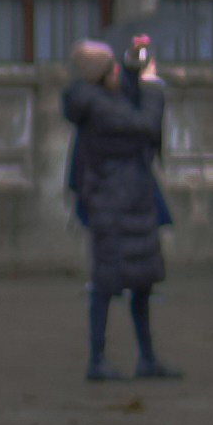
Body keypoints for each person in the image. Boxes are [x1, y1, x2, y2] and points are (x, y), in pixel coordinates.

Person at [63, 33, 178, 381]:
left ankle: (147, 358)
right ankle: (97, 360)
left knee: (140, 284)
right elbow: (143, 124)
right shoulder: (99, 107)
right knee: (106, 283)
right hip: (115, 206)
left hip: (131, 203)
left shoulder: (102, 97)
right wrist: (154, 86)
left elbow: (127, 88)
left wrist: (137, 55)